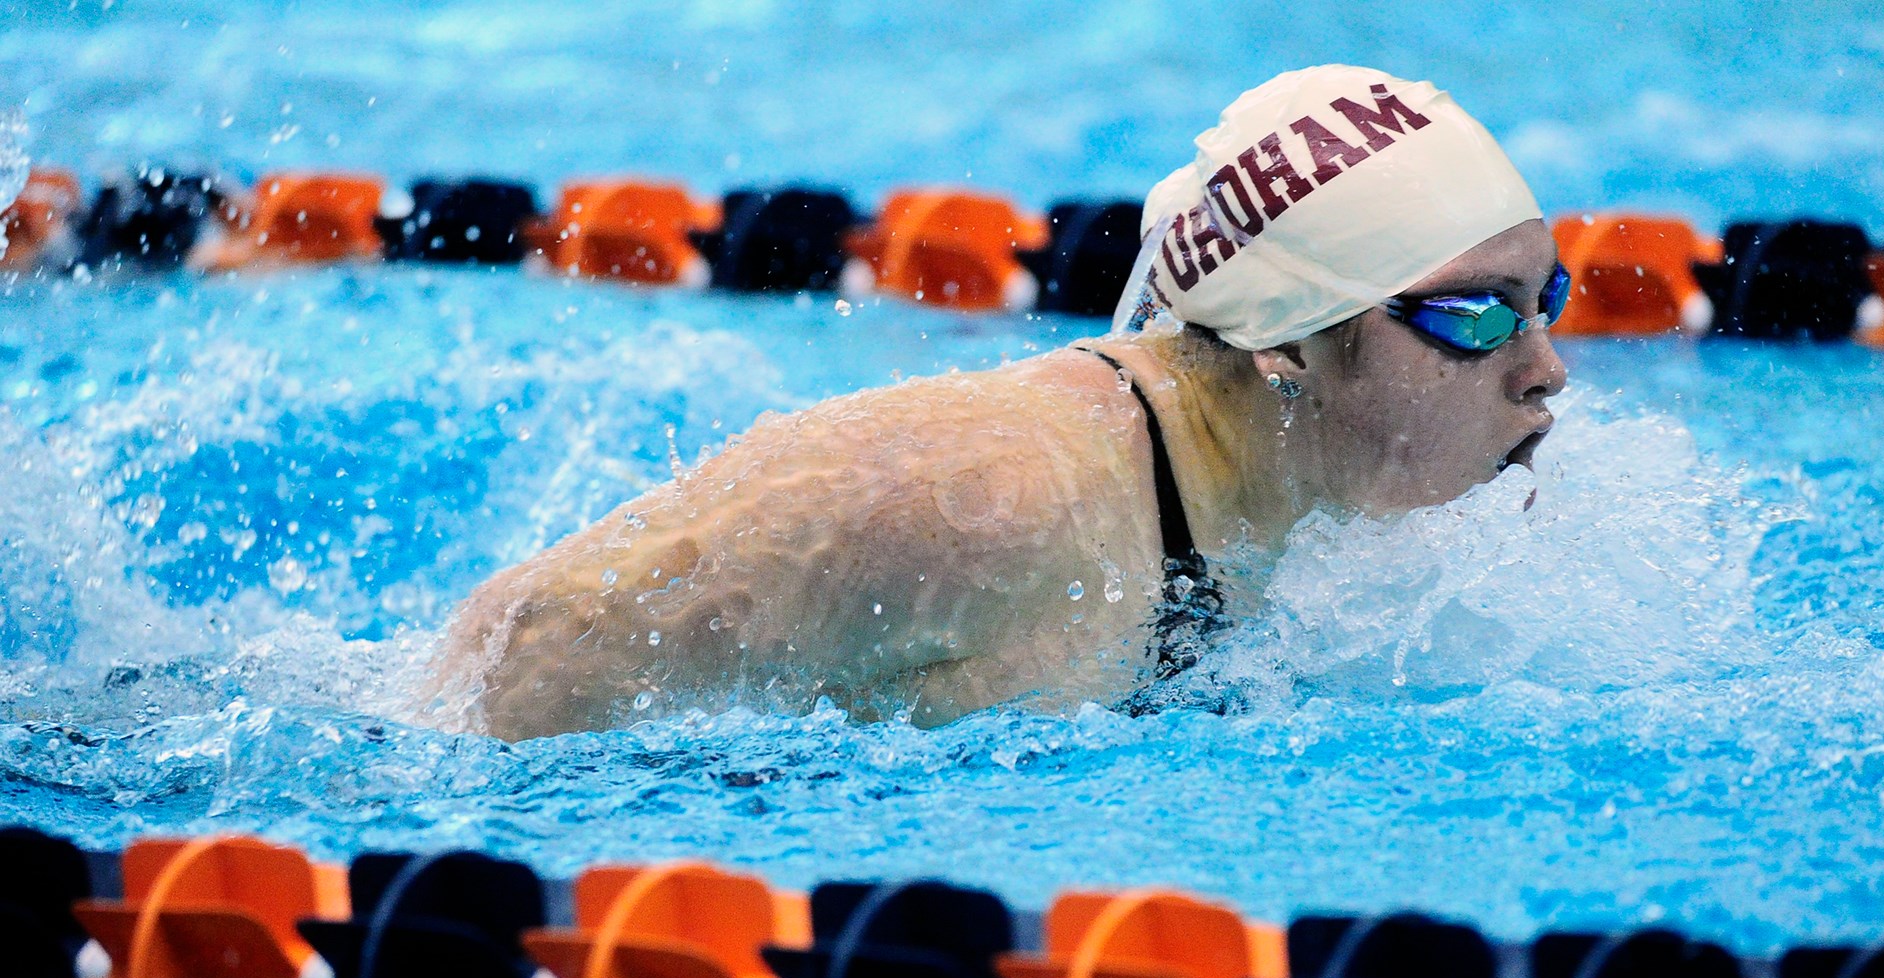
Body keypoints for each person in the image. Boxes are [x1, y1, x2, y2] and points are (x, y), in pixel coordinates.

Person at [425, 64, 1570, 741]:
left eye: (1546, 299)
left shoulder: (1272, 496)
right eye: (1474, 316)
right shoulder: (991, 502)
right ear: (1287, 344)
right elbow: (530, 640)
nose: (1543, 368)